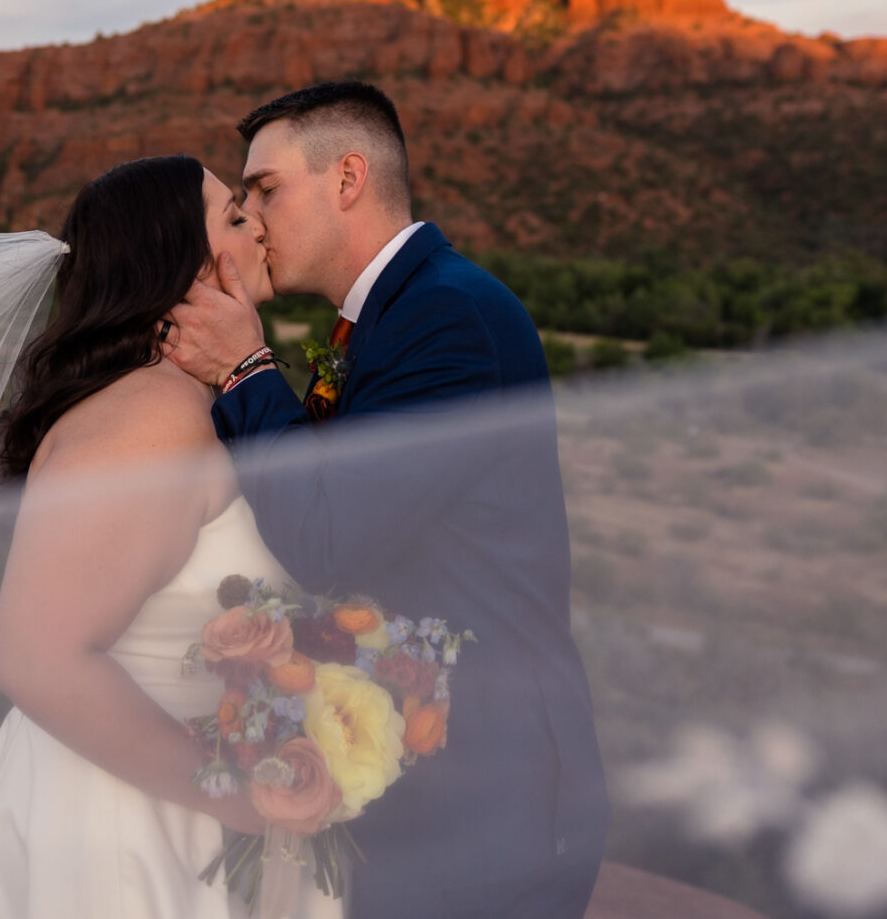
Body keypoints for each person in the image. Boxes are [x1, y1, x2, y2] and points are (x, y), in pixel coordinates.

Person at [165, 81, 611, 919]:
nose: (252, 218)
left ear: (347, 178)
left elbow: (330, 538)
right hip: (423, 792)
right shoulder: (386, 317)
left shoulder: (446, 316)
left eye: (266, 189)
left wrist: (245, 368)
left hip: (488, 810)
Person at [0, 154, 341, 919]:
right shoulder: (153, 417)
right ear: (182, 268)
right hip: (120, 828)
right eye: (233, 217)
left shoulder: (188, 400)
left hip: (165, 804)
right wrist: (234, 795)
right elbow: (38, 661)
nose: (258, 225)